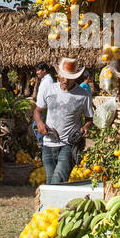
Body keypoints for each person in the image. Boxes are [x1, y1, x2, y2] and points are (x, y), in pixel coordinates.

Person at [34, 57, 93, 185]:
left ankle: (50, 203)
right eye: (63, 76)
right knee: (50, 180)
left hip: (68, 144)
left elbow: (89, 119)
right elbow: (38, 111)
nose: (65, 80)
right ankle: (50, 205)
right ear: (58, 74)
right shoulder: (49, 90)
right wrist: (40, 123)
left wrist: (86, 127)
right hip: (48, 143)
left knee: (57, 181)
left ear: (76, 77)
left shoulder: (83, 95)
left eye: (69, 77)